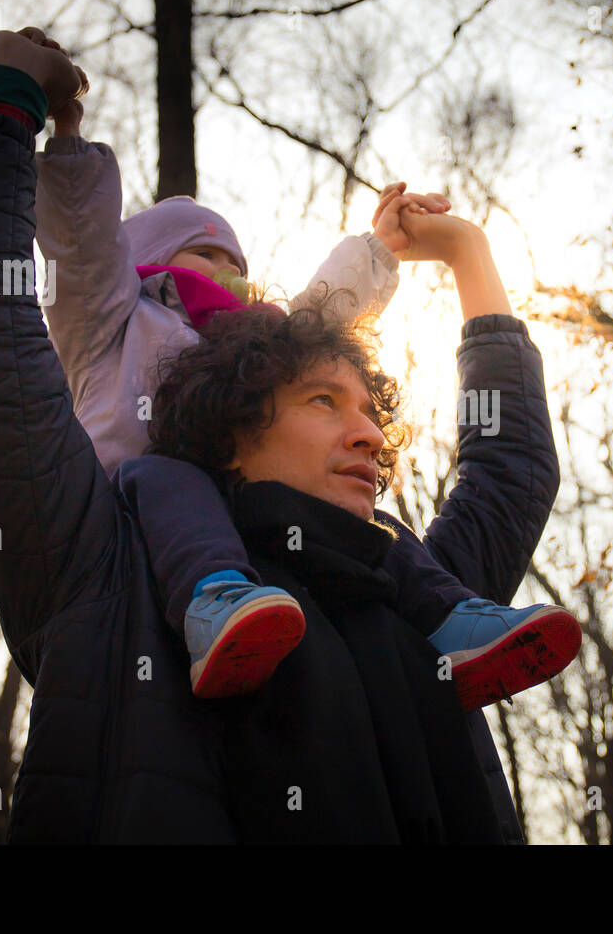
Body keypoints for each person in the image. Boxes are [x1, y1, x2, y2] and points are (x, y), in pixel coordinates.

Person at [0, 26, 567, 842]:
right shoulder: (103, 579)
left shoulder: (415, 598)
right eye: (322, 401)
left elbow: (509, 469)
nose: (369, 434)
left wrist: (467, 254)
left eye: (369, 410)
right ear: (234, 420)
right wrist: (5, 100)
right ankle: (218, 598)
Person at [29, 37, 578, 706]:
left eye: (235, 259)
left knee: (377, 531)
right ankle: (214, 601)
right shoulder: (112, 316)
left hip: (247, 496)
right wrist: (67, 138)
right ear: (149, 262)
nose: (227, 270)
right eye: (204, 254)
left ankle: (450, 616)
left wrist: (381, 247)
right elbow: (80, 245)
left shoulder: (246, 340)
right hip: (132, 503)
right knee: (168, 477)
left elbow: (317, 321)